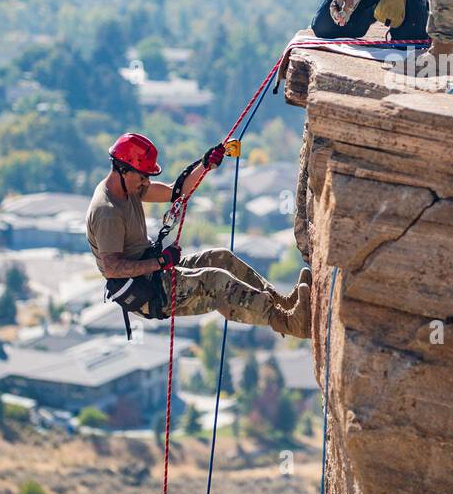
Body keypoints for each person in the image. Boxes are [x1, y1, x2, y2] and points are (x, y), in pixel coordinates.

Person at [87, 133, 311, 340]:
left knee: (221, 258)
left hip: (153, 274)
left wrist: (205, 165)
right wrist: (160, 261)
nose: (146, 182)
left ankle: (283, 303)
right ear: (123, 170)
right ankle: (288, 322)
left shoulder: (130, 187)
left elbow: (175, 192)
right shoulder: (107, 212)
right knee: (214, 281)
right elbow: (112, 268)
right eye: (143, 176)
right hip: (146, 293)